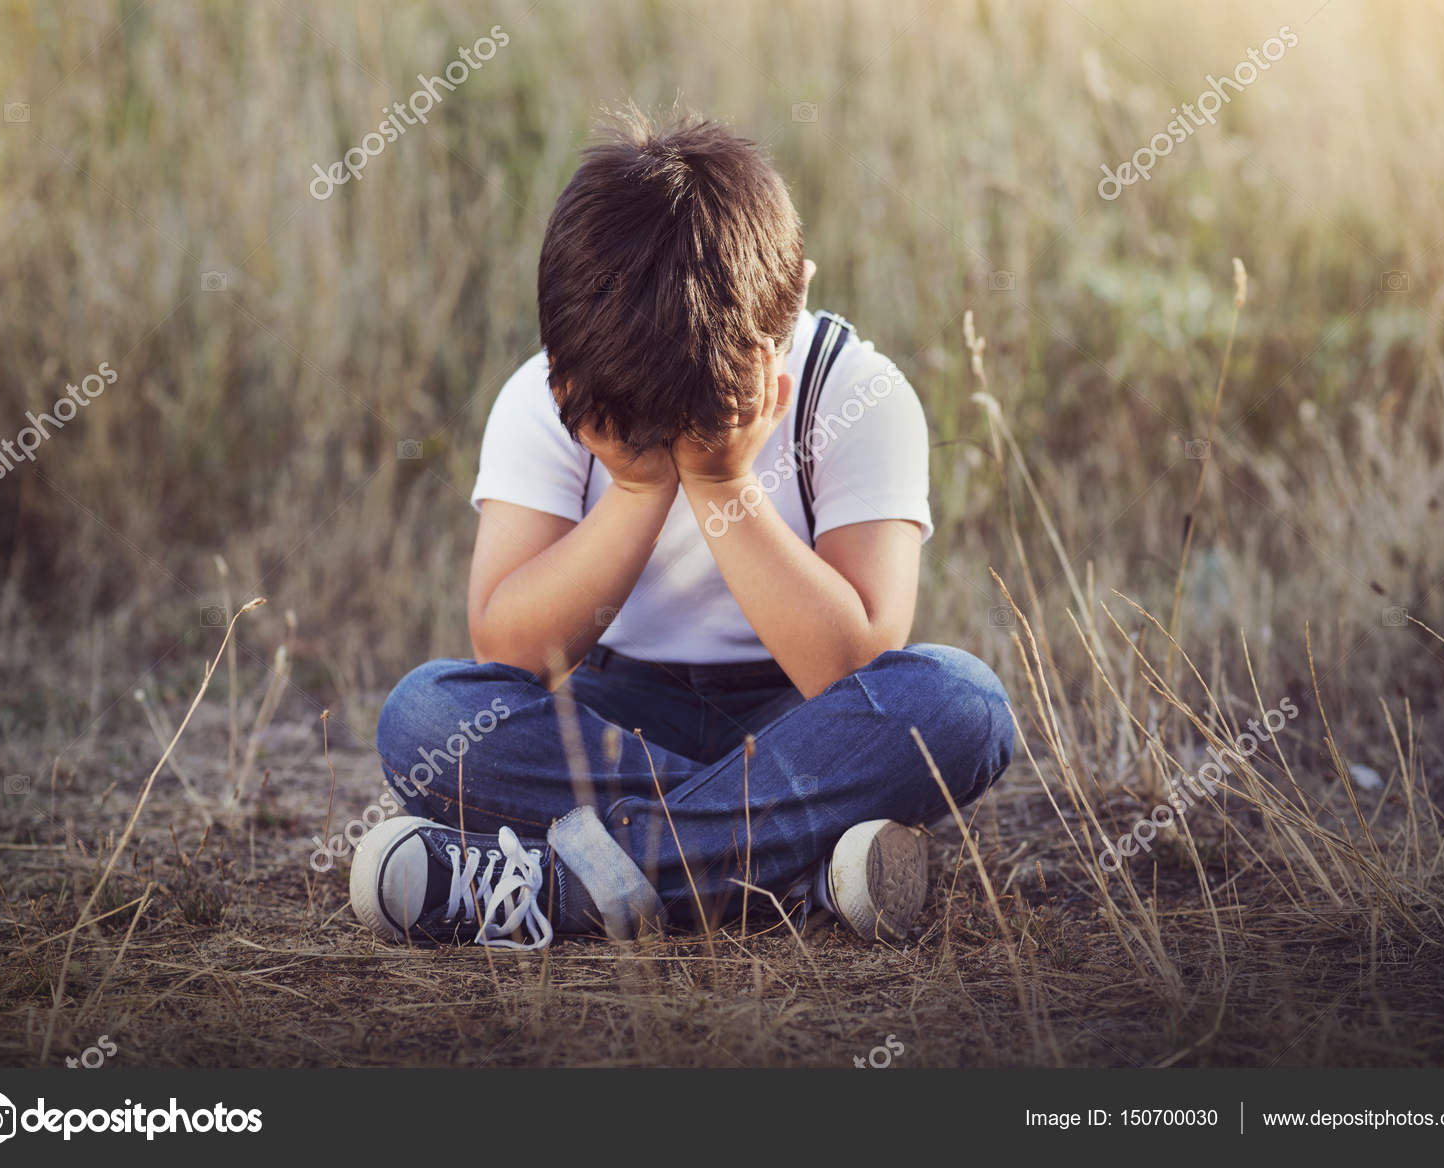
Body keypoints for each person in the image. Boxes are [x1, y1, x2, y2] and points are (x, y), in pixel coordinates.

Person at [350, 109, 1014, 950]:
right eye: (641, 422)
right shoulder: (547, 394)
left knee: (961, 703)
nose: (662, 436)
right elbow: (510, 651)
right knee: (425, 718)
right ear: (565, 361)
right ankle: (793, 863)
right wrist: (637, 489)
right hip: (620, 716)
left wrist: (722, 478)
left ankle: (562, 884)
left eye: (687, 416)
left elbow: (850, 668)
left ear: (795, 300)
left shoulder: (854, 393)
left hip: (801, 721)